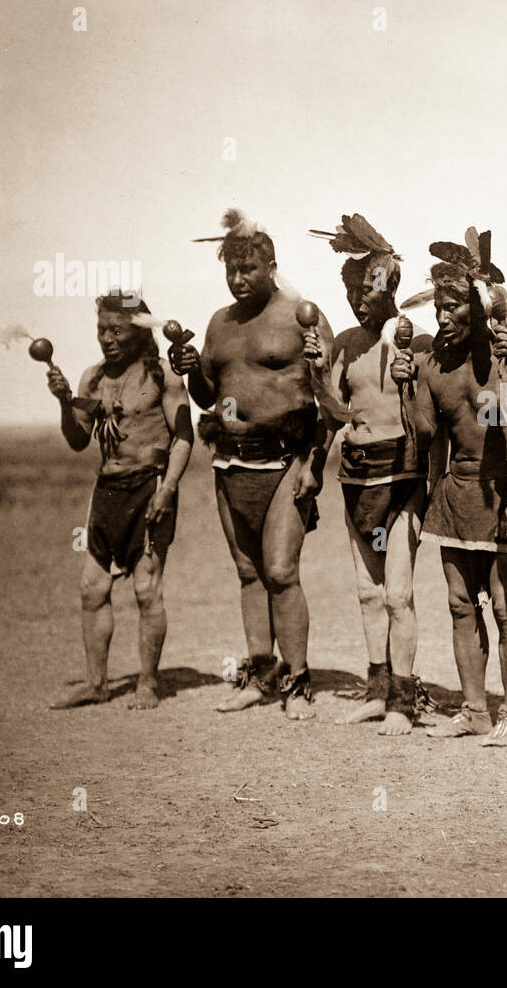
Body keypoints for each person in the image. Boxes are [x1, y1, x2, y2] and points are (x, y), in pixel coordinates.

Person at [170, 209, 332, 720]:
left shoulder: (301, 314)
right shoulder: (220, 324)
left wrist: (314, 465)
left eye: (250, 271)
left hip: (288, 459)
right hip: (229, 462)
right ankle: (261, 676)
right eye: (232, 272)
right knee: (248, 572)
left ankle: (299, 681)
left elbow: (328, 397)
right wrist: (192, 370)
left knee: (281, 571)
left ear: (272, 266)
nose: (240, 280)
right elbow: (208, 397)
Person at [399, 231, 507, 746]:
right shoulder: (435, 366)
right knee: (461, 604)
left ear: (480, 307)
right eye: (438, 307)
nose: (441, 317)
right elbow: (422, 433)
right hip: (456, 492)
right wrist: (407, 385)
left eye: (453, 306)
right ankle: (475, 710)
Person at [304, 215, 441, 735]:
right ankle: (377, 690)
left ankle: (403, 702)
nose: (361, 300)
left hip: (402, 472)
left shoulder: (416, 341)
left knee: (398, 593)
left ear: (392, 287)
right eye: (352, 291)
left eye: (370, 290)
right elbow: (338, 415)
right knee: (367, 591)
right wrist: (319, 374)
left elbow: (427, 422)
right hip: (357, 473)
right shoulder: (342, 342)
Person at [46, 294, 193, 710]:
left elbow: (184, 436)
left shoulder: (161, 375)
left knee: (147, 590)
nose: (107, 339)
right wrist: (63, 401)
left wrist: (167, 491)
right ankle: (97, 683)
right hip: (107, 491)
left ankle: (148, 684)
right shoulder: (92, 379)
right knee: (91, 589)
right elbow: (78, 440)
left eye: (117, 330)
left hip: (151, 487)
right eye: (101, 330)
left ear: (140, 331)